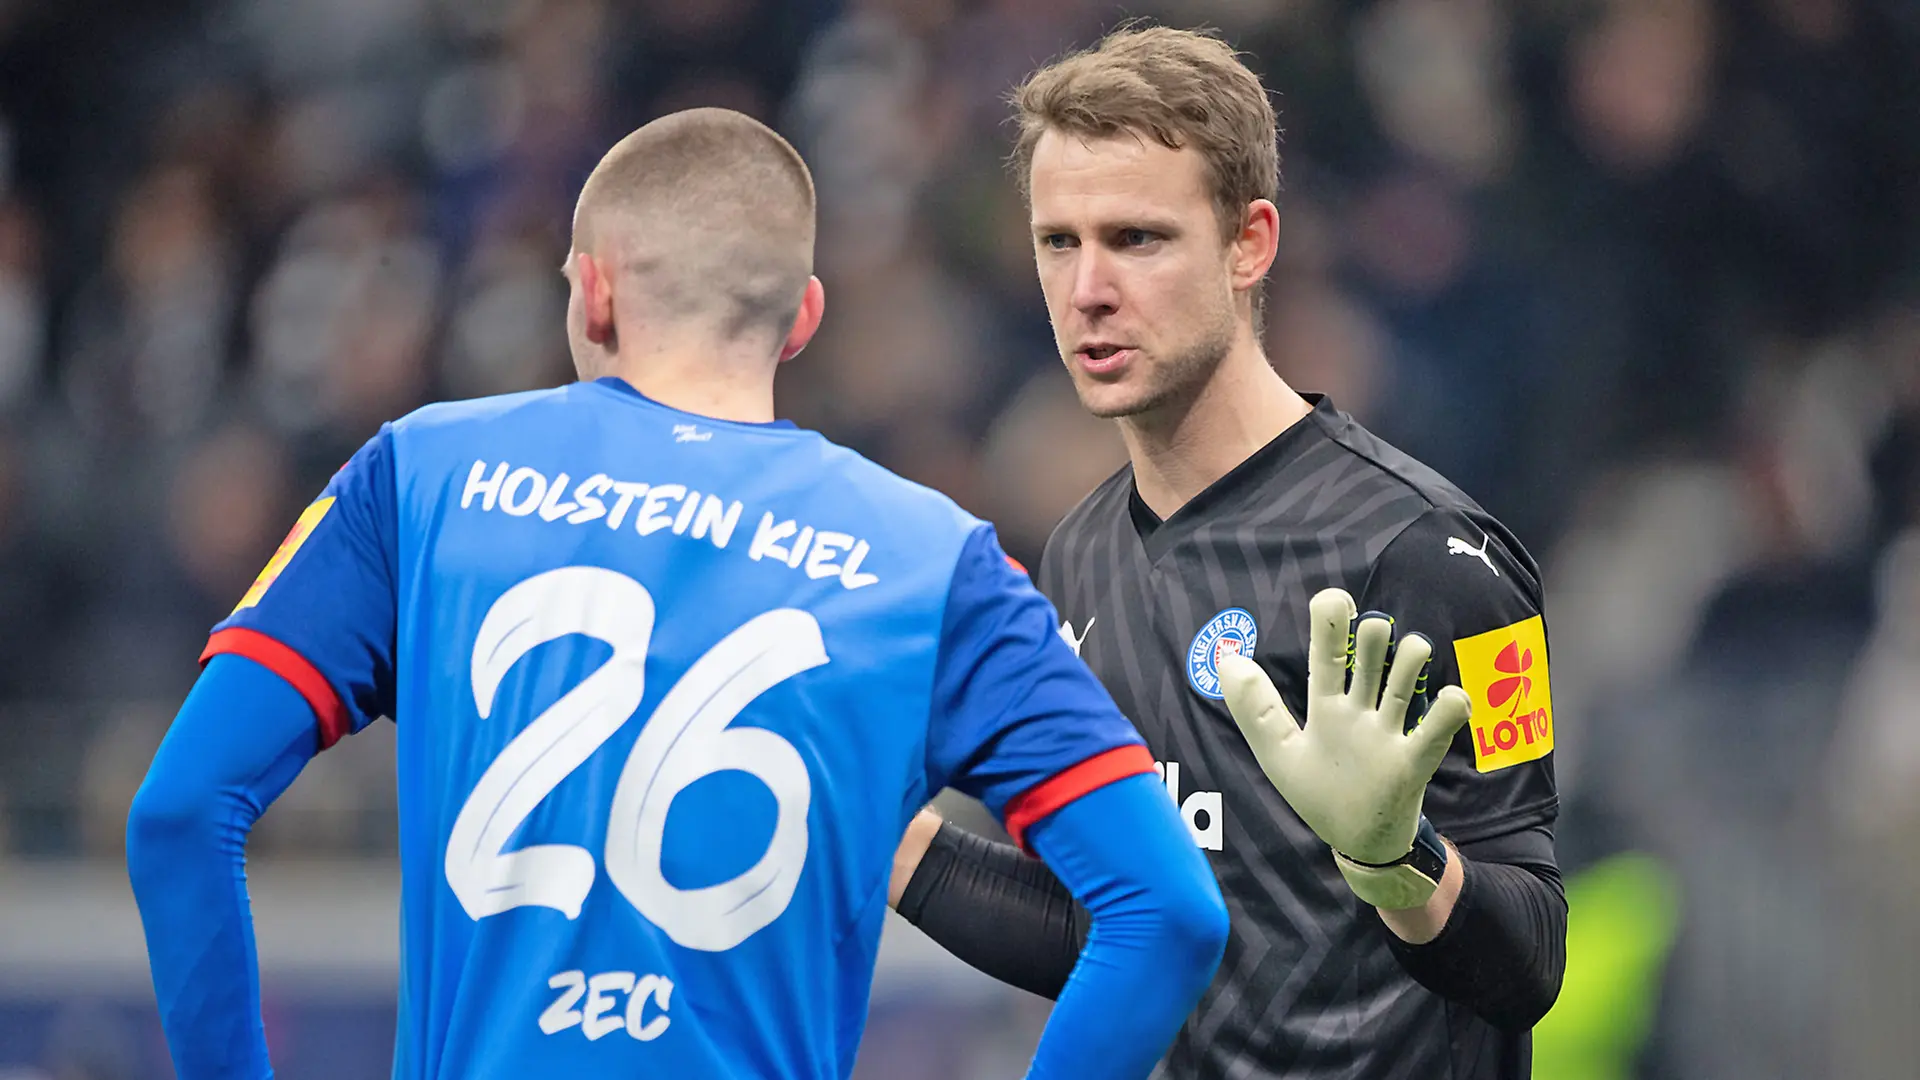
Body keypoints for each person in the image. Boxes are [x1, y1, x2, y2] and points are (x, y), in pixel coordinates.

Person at [123, 107, 1228, 1080]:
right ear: (801, 319)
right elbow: (1168, 915)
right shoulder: (938, 564)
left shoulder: (419, 477)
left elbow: (180, 813)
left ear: (593, 293)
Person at [889, 26, 1567, 1079]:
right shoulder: (1077, 556)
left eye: (1139, 239)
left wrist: (1399, 861)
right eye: (1058, 242)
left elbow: (1534, 962)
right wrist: (880, 832)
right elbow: (1111, 930)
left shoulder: (1433, 555)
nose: (1088, 290)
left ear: (1250, 244)